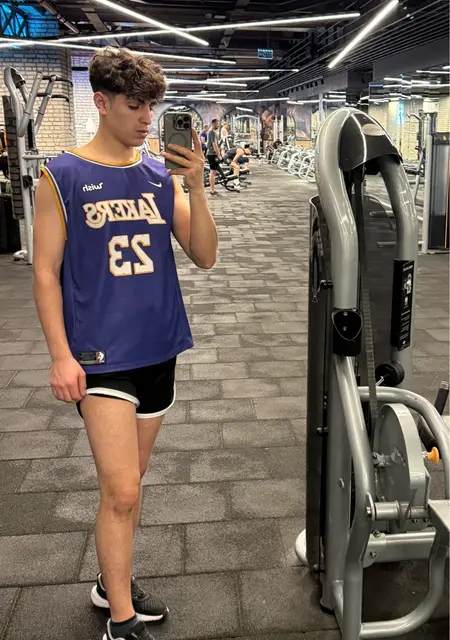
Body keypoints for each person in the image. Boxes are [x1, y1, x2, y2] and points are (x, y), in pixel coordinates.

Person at [32, 46, 218, 640]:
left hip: (158, 346)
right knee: (120, 490)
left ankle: (110, 581)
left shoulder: (160, 176)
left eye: (151, 106)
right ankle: (121, 620)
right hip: (99, 354)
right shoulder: (61, 176)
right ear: (102, 102)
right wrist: (60, 355)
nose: (145, 118)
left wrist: (197, 187)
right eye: (134, 105)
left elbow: (205, 255)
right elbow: (45, 272)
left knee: (130, 488)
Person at [206, 118, 221, 197]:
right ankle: (212, 191)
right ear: (213, 124)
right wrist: (219, 155)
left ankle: (212, 190)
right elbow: (214, 145)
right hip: (212, 154)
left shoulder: (211, 132)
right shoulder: (212, 132)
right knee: (212, 172)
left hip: (211, 154)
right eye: (217, 124)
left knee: (213, 172)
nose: (218, 125)